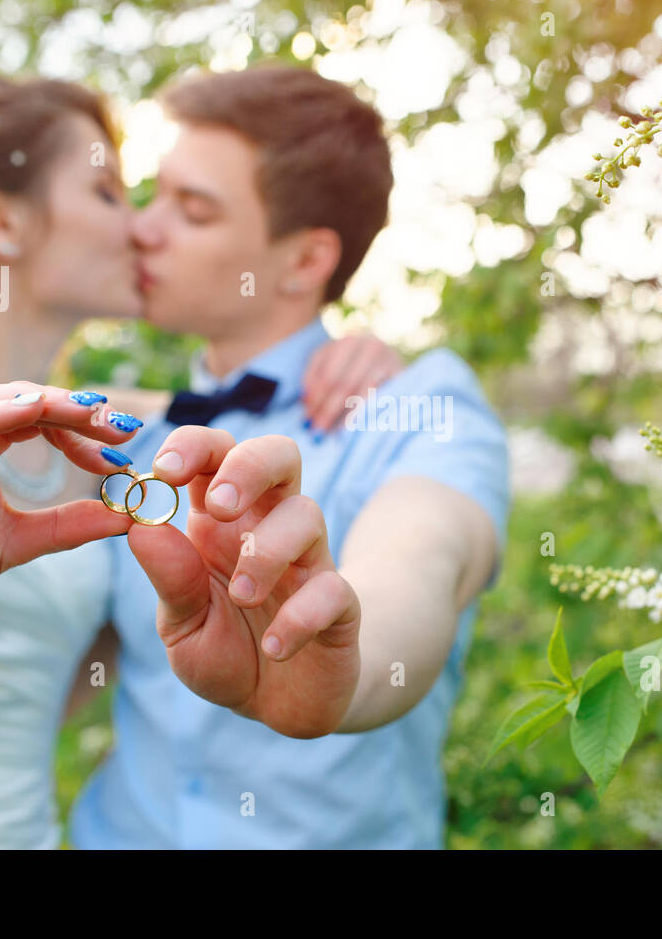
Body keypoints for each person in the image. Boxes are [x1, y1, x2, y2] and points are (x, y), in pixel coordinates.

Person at [0, 75, 400, 846]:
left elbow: (250, 392)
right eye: (108, 193)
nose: (142, 229)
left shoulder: (113, 436)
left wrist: (349, 353)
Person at [67, 64, 510, 849]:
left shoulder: (418, 405)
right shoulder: (119, 427)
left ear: (305, 263)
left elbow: (424, 561)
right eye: (154, 195)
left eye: (193, 210)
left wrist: (340, 665)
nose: (144, 228)